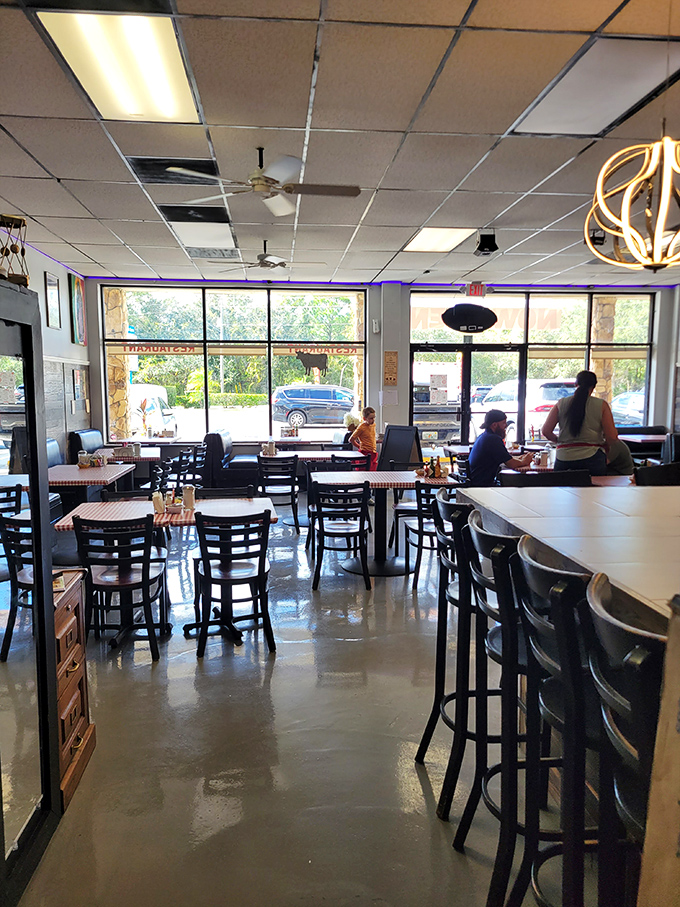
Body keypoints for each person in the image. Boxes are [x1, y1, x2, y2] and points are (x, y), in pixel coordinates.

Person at [541, 370, 618, 476]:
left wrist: (560, 441)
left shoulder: (561, 403)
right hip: (592, 458)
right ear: (594, 386)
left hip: (563, 458)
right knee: (593, 492)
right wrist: (606, 448)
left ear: (575, 384)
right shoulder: (601, 405)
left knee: (562, 491)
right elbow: (612, 437)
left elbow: (546, 431)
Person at [467, 409, 533, 485]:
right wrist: (524, 461)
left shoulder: (484, 436)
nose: (506, 426)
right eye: (503, 423)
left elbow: (506, 458)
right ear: (494, 425)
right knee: (521, 483)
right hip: (483, 484)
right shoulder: (493, 439)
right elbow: (511, 464)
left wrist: (521, 457)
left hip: (476, 481)